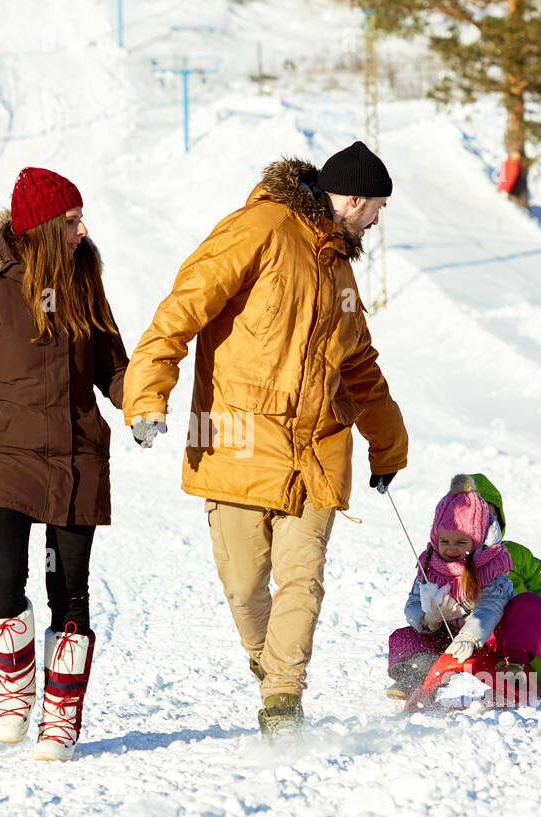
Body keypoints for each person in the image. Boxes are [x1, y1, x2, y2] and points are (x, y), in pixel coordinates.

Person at [122, 141, 408, 738]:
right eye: (376, 207)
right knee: (246, 586)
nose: (378, 220)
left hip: (317, 448)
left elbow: (359, 363)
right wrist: (148, 390)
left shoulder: (341, 270)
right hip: (238, 438)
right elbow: (182, 308)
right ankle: (268, 661)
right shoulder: (259, 229)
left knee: (301, 578)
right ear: (351, 199)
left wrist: (389, 444)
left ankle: (282, 701)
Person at [0, 167, 129, 761]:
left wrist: (138, 402)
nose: (82, 231)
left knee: (71, 593)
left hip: (77, 458)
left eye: (80, 219)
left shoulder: (88, 289)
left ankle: (62, 709)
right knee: (3, 584)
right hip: (8, 461)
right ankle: (14, 683)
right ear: (38, 227)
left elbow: (114, 365)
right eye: (70, 221)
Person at [386, 474, 541, 706]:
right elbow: (412, 602)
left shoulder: (492, 566)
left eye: (461, 543)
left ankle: (512, 673)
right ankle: (416, 676)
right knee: (404, 637)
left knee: (531, 606)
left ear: (477, 539)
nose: (451, 549)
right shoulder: (430, 564)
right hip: (448, 635)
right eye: (445, 541)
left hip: (493, 637)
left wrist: (470, 637)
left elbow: (490, 607)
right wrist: (426, 619)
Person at [467, 473, 541, 698]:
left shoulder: (516, 554)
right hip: (473, 628)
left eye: (487, 518)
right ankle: (417, 678)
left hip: (520, 626)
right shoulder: (451, 558)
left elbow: (539, 587)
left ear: (499, 521)